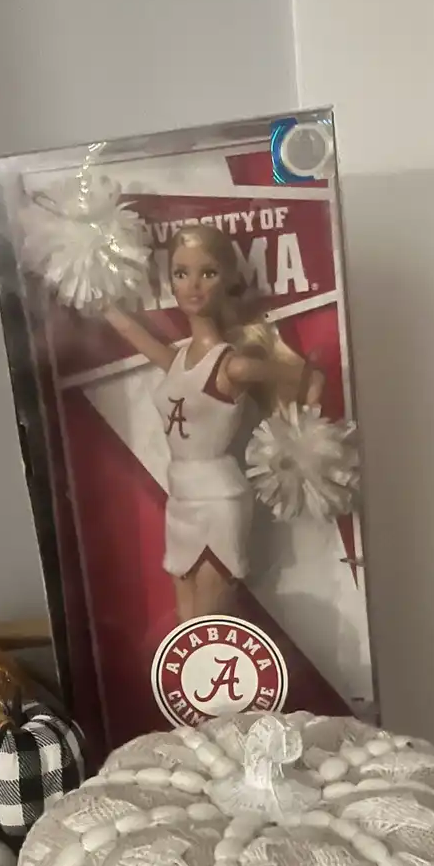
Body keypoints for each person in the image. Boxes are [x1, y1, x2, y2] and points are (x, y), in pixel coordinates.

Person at [102, 223, 322, 622]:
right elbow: (127, 327)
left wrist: (301, 438)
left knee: (212, 620)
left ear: (229, 279)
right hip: (181, 497)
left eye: (208, 272)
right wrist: (84, 277)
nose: (193, 285)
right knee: (186, 625)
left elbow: (305, 376)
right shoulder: (179, 358)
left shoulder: (231, 365)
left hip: (219, 500)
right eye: (181, 273)